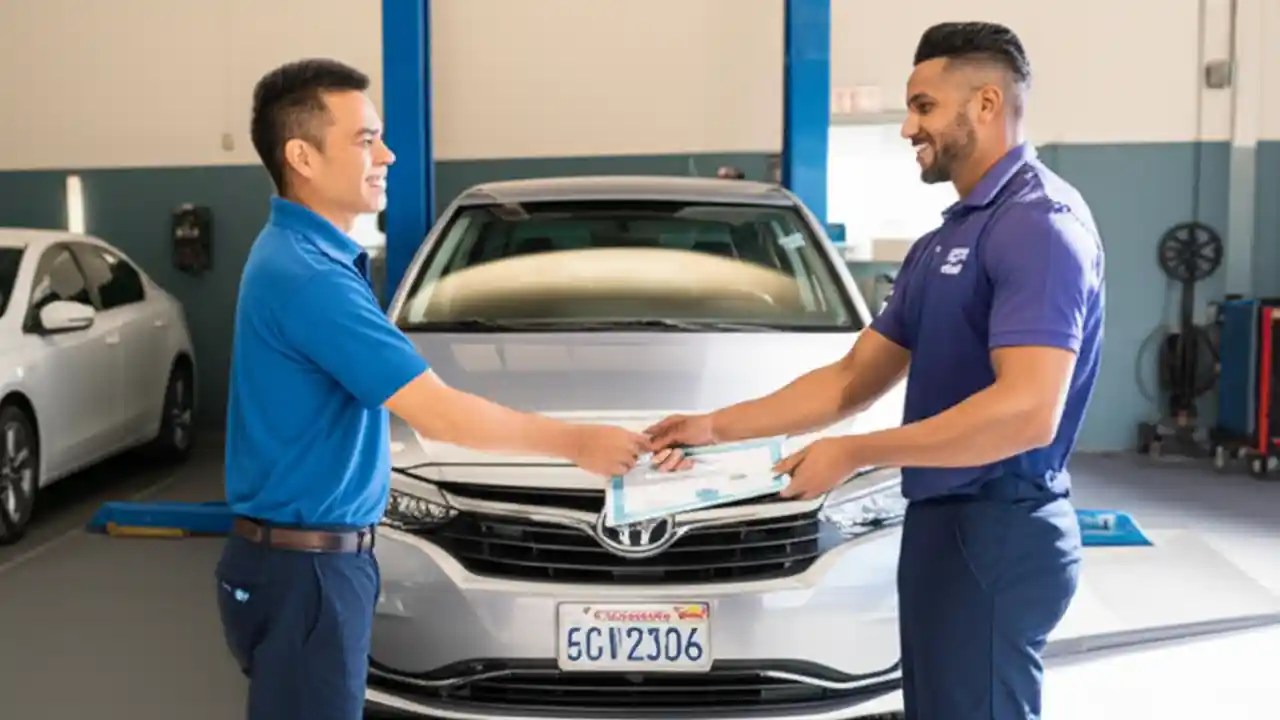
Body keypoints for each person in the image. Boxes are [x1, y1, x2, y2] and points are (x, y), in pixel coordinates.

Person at [648, 22, 1105, 720]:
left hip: (999, 527)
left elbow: (1026, 410)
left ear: (985, 104)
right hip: (942, 525)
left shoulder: (1038, 226)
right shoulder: (946, 239)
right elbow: (850, 380)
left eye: (923, 107)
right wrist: (712, 428)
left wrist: (858, 453)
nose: (907, 128)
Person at [215, 58, 651, 719]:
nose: (387, 154)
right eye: (366, 140)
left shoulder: (292, 254)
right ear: (301, 156)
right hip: (308, 574)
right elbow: (439, 414)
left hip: (301, 565)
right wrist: (577, 441)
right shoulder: (311, 278)